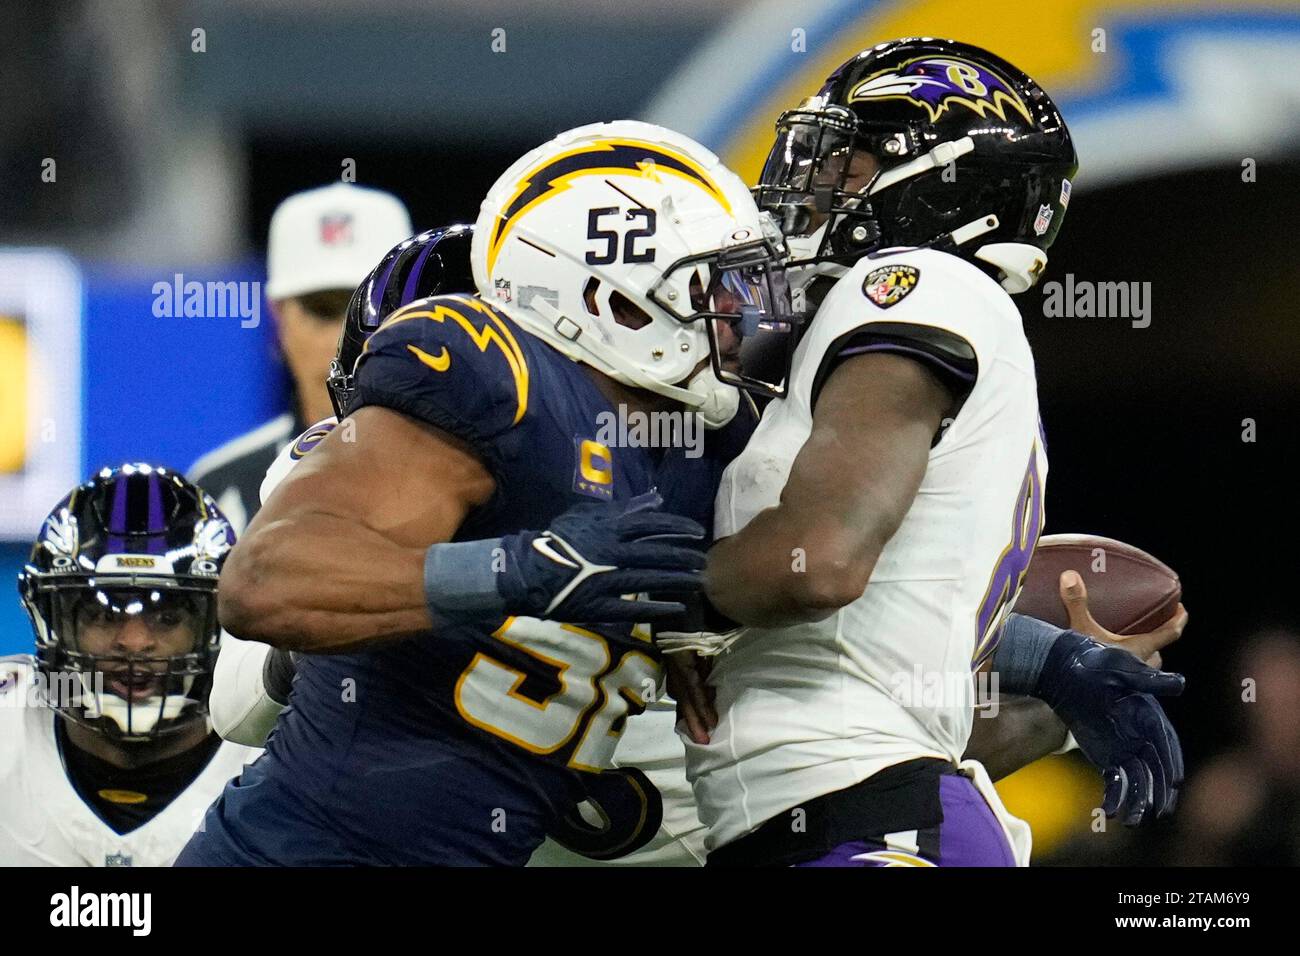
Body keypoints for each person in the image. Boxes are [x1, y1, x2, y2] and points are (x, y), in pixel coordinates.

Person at [176, 120, 777, 866]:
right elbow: (264, 585)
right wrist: (525, 569)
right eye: (710, 285)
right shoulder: (494, 375)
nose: (738, 312)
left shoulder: (700, 446)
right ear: (611, 295)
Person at [664, 38, 1185, 867]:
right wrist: (1057, 681)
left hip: (865, 825)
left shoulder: (917, 283)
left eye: (850, 160)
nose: (819, 184)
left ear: (944, 182)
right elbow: (910, 708)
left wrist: (638, 601)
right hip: (870, 817)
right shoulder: (957, 341)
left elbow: (815, 565)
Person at [0, 464, 258, 866]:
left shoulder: (279, 752)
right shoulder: (7, 727)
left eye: (168, 617)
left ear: (218, 622)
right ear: (51, 619)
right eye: (103, 615)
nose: (134, 643)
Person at [188, 182, 413, 534]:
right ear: (277, 318)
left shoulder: (471, 477)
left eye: (368, 310)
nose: (346, 340)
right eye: (323, 310)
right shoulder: (218, 493)